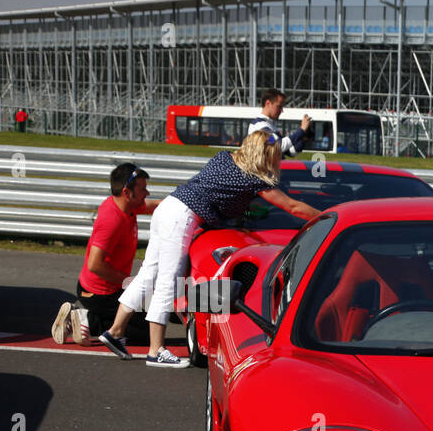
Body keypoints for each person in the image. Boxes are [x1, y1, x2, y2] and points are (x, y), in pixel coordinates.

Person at [98, 131, 319, 367]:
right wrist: (331, 217)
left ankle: (115, 330)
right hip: (182, 217)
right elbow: (293, 207)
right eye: (275, 156)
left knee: (147, 273)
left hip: (168, 207)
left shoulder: (224, 157)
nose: (278, 161)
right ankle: (156, 350)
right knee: (167, 280)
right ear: (265, 156)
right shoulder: (253, 179)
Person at [53, 163, 161, 345]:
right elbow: (94, 265)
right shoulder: (112, 220)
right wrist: (128, 281)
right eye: (142, 189)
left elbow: (155, 206)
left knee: (150, 314)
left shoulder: (128, 206)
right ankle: (86, 319)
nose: (147, 193)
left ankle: (84, 321)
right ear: (127, 192)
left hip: (110, 288)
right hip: (98, 294)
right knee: (144, 331)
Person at [248, 88, 312, 156]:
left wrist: (304, 137)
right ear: (268, 103)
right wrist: (301, 130)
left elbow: (291, 152)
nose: (282, 111)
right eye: (279, 106)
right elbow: (278, 146)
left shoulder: (271, 126)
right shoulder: (258, 125)